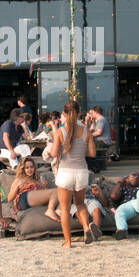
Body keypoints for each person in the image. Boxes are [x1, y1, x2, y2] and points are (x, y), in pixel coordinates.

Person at [46, 99, 97, 246]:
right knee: (80, 204)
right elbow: (92, 153)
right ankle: (86, 228)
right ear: (79, 113)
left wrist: (50, 147)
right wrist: (81, 149)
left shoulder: (59, 132)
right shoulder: (86, 131)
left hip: (65, 173)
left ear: (64, 114)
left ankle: (68, 242)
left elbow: (54, 154)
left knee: (65, 208)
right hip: (81, 172)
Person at [110, 161, 139, 240]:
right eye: (133, 175)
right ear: (127, 179)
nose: (136, 176)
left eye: (138, 176)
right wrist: (120, 182)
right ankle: (122, 230)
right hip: (127, 206)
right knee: (119, 211)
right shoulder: (123, 187)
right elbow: (113, 197)